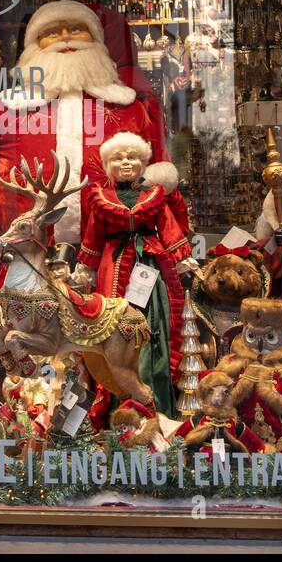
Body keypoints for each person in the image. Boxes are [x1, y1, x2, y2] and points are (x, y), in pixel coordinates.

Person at [0, 0, 179, 251]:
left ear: (95, 41)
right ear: (35, 46)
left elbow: (156, 185)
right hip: (25, 257)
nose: (66, 38)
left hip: (111, 259)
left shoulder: (128, 109)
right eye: (53, 32)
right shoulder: (8, 111)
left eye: (77, 29)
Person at [77, 131, 195, 418]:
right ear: (108, 166)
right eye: (118, 158)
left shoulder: (153, 197)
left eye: (131, 157)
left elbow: (168, 228)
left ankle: (159, 403)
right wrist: (85, 269)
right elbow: (92, 236)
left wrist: (183, 258)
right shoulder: (100, 198)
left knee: (155, 325)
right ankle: (122, 407)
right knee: (117, 330)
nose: (126, 163)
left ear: (142, 163)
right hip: (113, 268)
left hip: (151, 266)